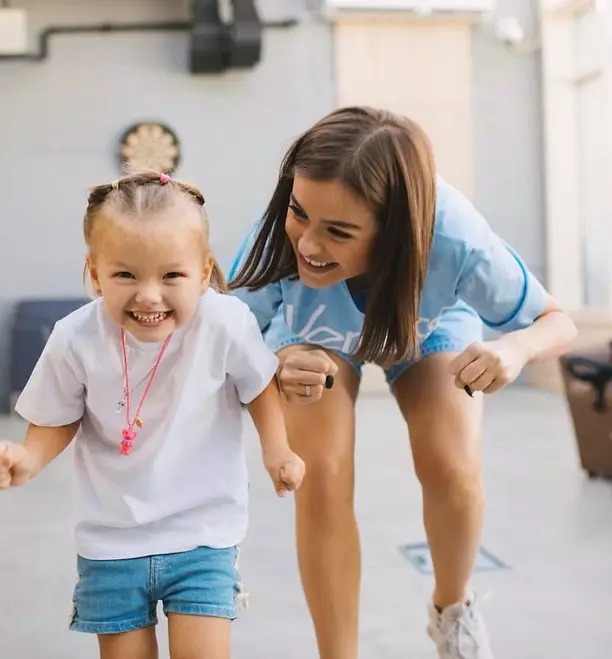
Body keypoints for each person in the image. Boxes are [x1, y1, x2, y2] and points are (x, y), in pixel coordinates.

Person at [228, 106, 577, 659]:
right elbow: (218, 335)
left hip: (428, 328)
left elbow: (557, 322)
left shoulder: (457, 241)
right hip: (314, 337)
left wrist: (514, 350)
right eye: (301, 213)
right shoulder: (280, 237)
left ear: (395, 229)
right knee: (320, 476)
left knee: (452, 464)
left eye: (338, 231)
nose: (309, 245)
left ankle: (453, 611)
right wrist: (273, 363)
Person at [0, 171, 305, 659]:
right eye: (125, 275)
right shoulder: (75, 338)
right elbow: (57, 416)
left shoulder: (224, 322)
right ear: (95, 273)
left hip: (202, 534)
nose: (149, 296)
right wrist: (27, 456)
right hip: (111, 542)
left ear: (203, 272)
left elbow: (258, 384)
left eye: (171, 275)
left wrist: (277, 449)